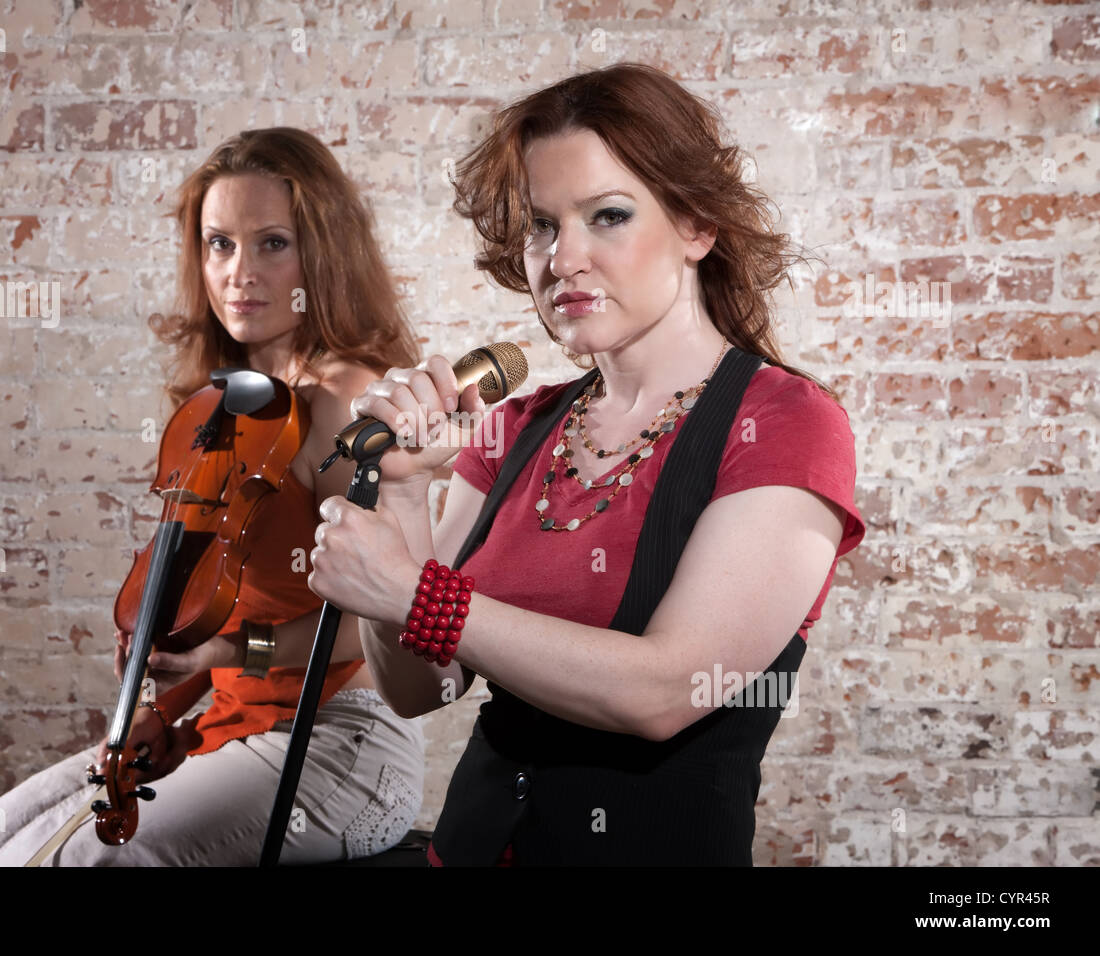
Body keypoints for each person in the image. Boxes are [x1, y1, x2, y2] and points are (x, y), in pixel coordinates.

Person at [305, 63, 866, 865]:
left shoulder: (782, 422)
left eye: (606, 215)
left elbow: (665, 690)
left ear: (696, 226)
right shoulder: (516, 428)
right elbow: (420, 688)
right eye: (540, 225)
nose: (561, 258)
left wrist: (410, 589)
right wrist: (403, 492)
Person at [0, 128, 426, 866]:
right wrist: (161, 705)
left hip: (336, 740)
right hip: (232, 720)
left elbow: (377, 621)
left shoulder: (343, 398)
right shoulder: (227, 405)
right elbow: (221, 612)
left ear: (322, 254)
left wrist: (234, 650)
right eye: (219, 244)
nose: (239, 274)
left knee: (62, 863)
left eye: (272, 244)